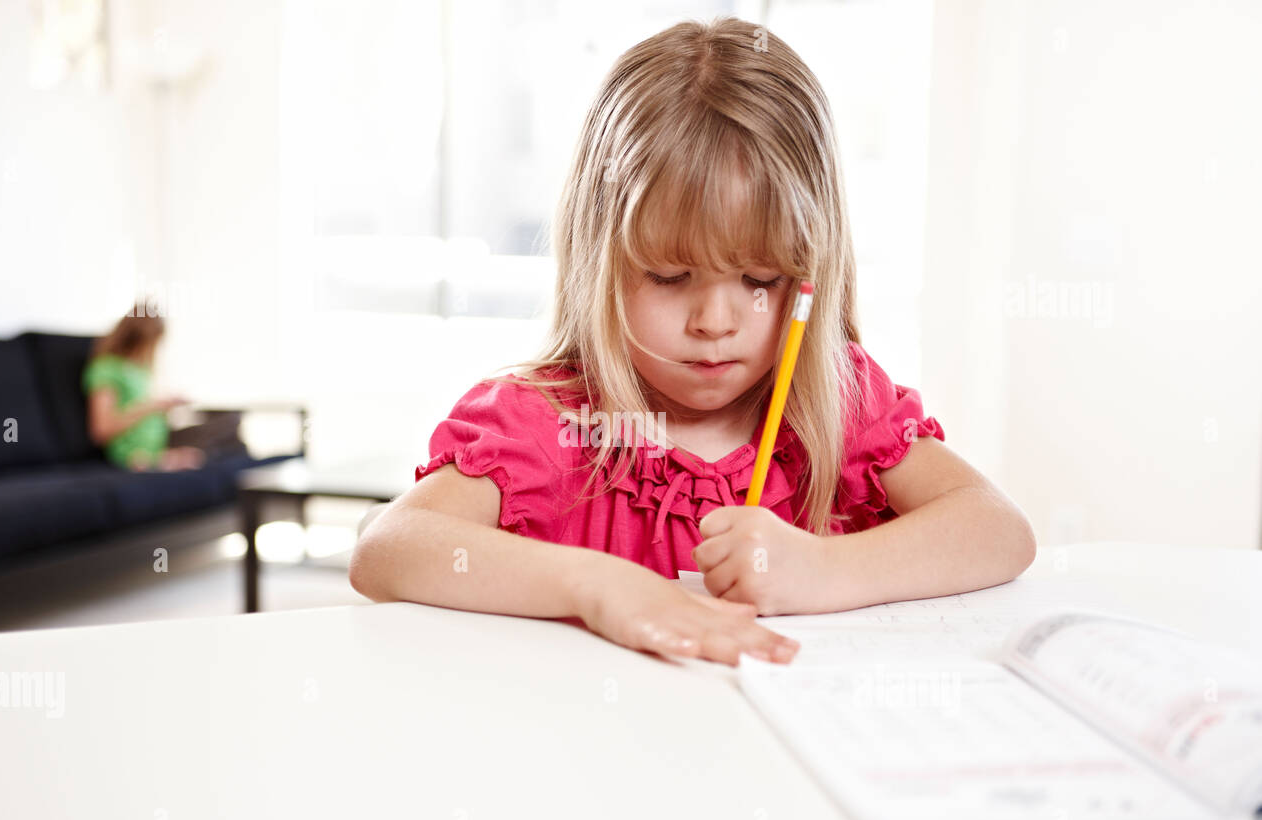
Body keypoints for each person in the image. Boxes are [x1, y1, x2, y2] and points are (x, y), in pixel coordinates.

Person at [349, 17, 1037, 667]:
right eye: (671, 276)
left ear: (809, 273)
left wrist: (824, 570)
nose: (715, 320)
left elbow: (999, 531)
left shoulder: (838, 403)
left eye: (760, 276)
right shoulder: (554, 423)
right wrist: (596, 585)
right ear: (601, 262)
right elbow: (387, 549)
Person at [83, 304, 243, 472]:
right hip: (131, 455)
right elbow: (101, 430)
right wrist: (152, 406)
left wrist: (165, 408)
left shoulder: (141, 370)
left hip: (156, 450)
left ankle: (166, 459)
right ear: (136, 338)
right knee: (217, 439)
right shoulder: (106, 369)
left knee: (228, 425)